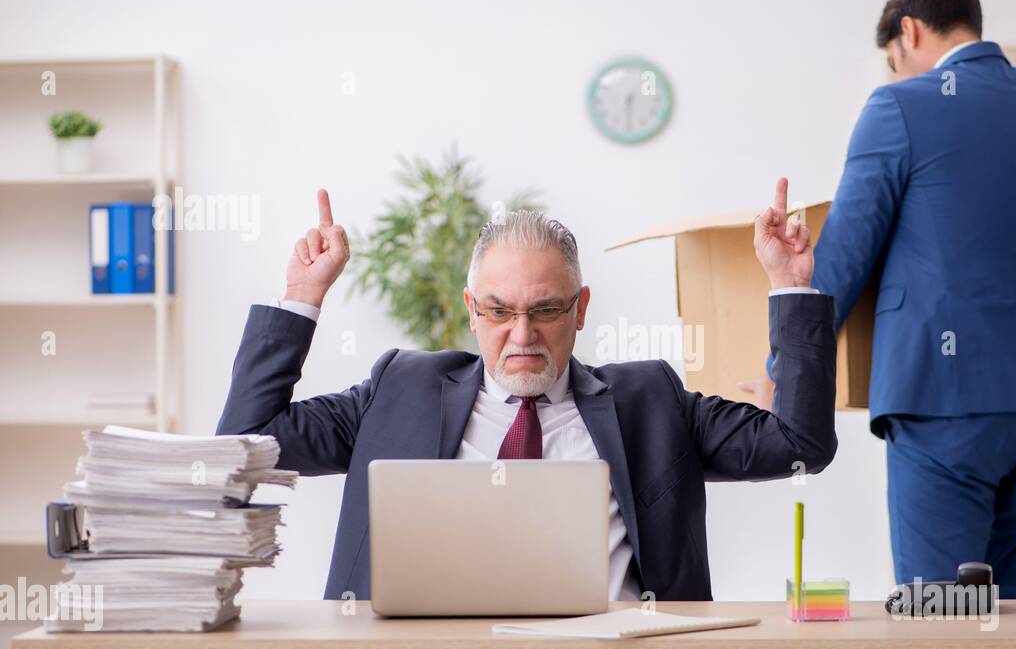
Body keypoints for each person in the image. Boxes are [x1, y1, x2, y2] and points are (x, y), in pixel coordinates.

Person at [217, 181, 838, 601]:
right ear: (470, 310)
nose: (522, 335)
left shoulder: (649, 399)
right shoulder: (400, 388)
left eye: (545, 309)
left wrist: (788, 285)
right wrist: (302, 298)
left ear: (580, 309)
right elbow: (248, 442)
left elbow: (798, 444)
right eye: (499, 311)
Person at [754, 0, 1016, 599]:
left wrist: (783, 367)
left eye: (892, 62)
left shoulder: (900, 106)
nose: (895, 76)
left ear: (908, 31)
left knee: (943, 619)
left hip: (945, 402)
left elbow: (844, 259)